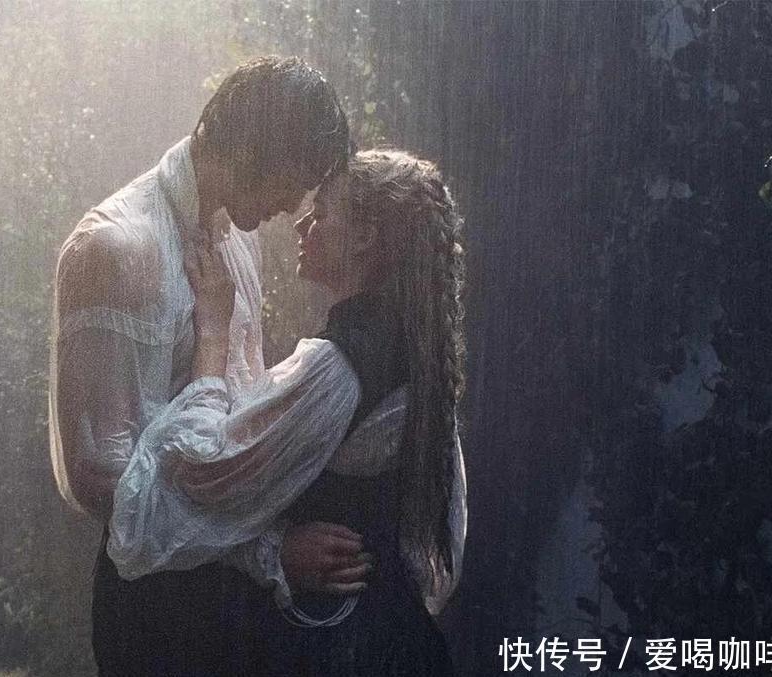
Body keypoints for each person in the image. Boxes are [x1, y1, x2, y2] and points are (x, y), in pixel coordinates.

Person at [49, 56, 368, 675]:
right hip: (155, 607)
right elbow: (101, 481)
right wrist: (269, 551)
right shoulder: (114, 248)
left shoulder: (237, 235)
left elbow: (234, 418)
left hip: (236, 603)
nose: (295, 204)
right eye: (296, 179)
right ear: (255, 150)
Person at [109, 148, 468, 675]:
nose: (301, 224)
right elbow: (437, 556)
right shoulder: (417, 348)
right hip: (393, 635)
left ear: (364, 238)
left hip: (340, 646)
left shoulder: (339, 366)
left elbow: (203, 470)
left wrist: (213, 332)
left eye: (321, 213)